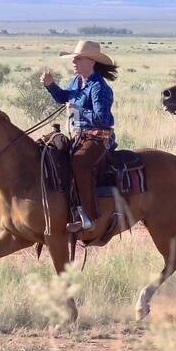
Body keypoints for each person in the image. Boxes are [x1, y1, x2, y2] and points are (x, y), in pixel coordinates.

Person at [40, 40, 118, 233]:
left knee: (80, 162)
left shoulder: (99, 87)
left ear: (91, 61)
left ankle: (89, 217)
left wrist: (78, 110)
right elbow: (63, 97)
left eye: (78, 59)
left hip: (98, 138)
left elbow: (103, 118)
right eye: (73, 59)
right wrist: (51, 86)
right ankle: (69, 209)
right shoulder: (77, 81)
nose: (74, 62)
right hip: (78, 135)